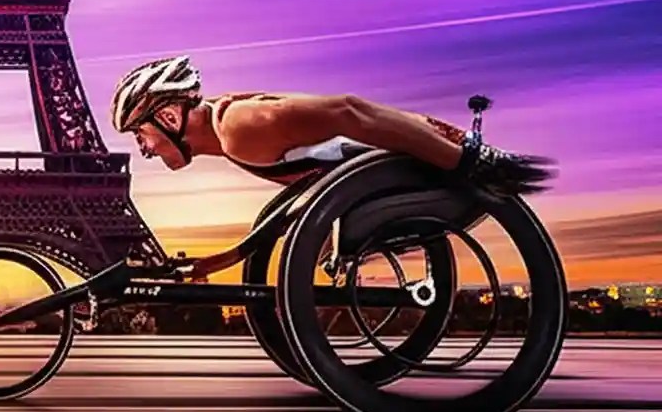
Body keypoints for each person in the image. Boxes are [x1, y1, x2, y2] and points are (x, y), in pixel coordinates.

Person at [109, 55, 556, 280]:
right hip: (377, 184)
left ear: (168, 118)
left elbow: (348, 111)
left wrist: (470, 162)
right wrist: (217, 263)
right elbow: (286, 211)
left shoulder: (239, 127)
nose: (143, 149)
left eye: (139, 133)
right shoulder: (233, 137)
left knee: (300, 289)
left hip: (416, 172)